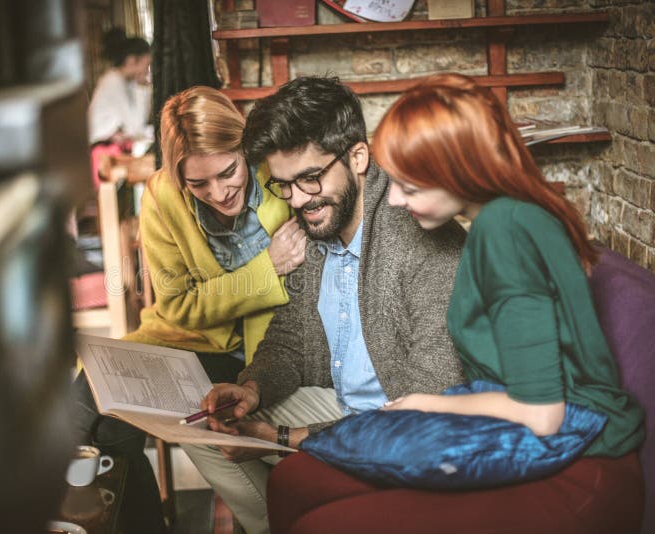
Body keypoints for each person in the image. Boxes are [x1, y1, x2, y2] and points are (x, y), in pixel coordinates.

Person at [267, 73, 645, 533]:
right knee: (293, 482)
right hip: (527, 442)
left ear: (458, 169)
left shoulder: (505, 232)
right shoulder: (505, 217)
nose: (398, 200)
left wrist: (429, 404)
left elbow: (543, 415)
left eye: (410, 185)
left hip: (579, 467)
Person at [180, 76, 466, 534]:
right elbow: (289, 339)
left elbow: (426, 407)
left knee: (292, 467)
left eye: (310, 179)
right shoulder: (315, 228)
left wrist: (278, 439)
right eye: (283, 186)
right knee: (203, 428)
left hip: (401, 431)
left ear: (357, 157)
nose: (298, 200)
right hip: (338, 407)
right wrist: (253, 389)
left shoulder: (419, 237)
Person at [72, 85, 304, 532]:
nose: (218, 192)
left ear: (245, 147)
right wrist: (266, 270)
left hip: (260, 351)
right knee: (85, 410)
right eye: (198, 183)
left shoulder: (281, 178)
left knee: (104, 432)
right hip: (184, 340)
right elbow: (178, 307)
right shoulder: (162, 194)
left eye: (227, 172)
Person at [87, 28, 153, 188]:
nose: (147, 70)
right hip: (103, 156)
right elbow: (135, 127)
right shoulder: (113, 82)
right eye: (146, 64)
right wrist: (142, 88)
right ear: (131, 61)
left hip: (113, 153)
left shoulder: (123, 82)